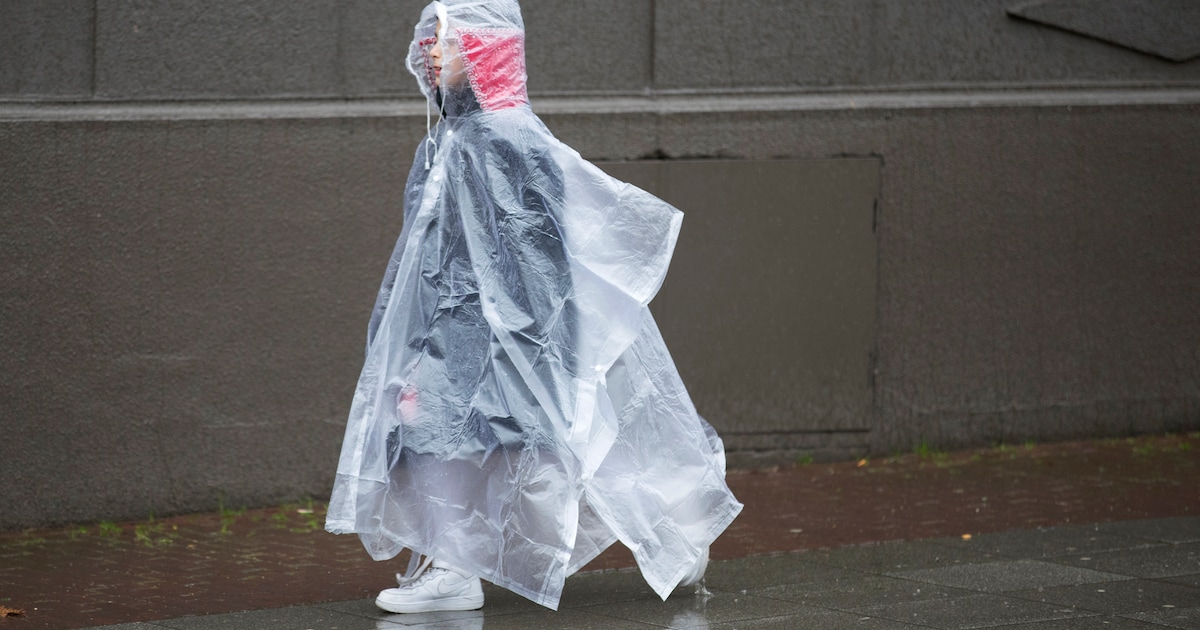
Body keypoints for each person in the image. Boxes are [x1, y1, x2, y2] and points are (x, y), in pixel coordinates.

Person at [326, 0, 742, 614]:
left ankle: (681, 510)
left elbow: (539, 257)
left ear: (486, 47)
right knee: (441, 433)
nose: (432, 51)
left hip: (509, 334)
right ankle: (453, 565)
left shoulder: (507, 142)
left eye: (450, 38)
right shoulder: (447, 142)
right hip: (455, 333)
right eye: (431, 38)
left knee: (568, 443)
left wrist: (533, 345)